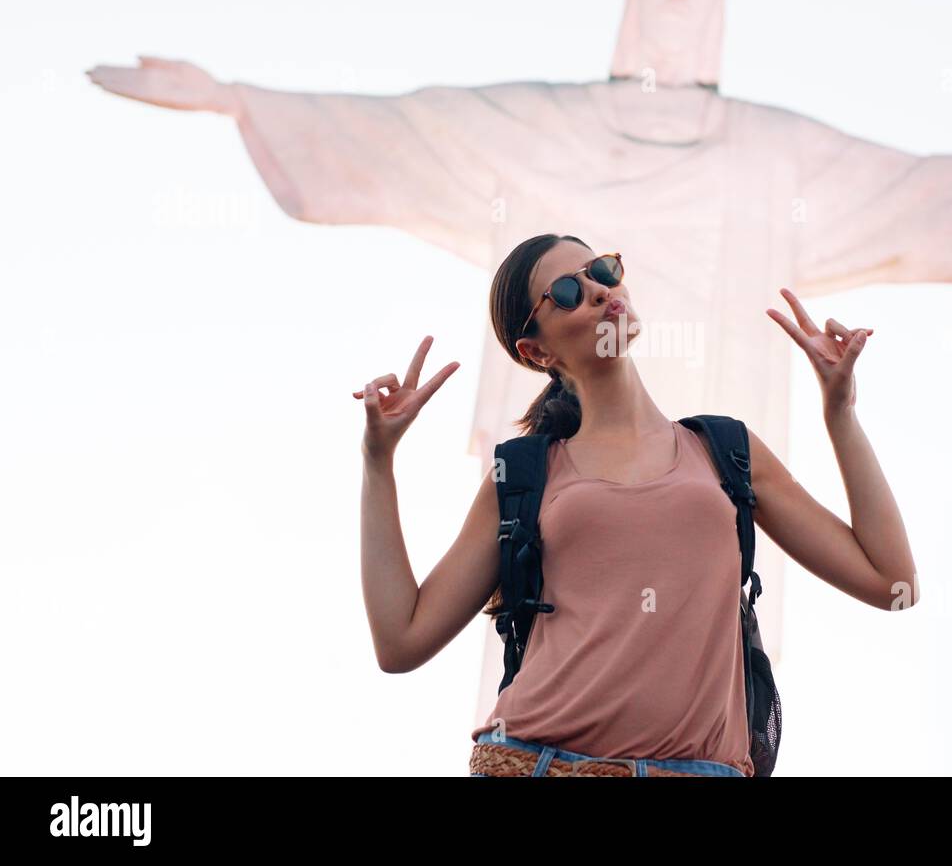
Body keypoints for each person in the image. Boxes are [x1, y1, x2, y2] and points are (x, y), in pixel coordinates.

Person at [354, 233, 920, 776]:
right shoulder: (524, 473)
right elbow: (401, 641)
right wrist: (378, 462)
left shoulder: (726, 451)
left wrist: (840, 413)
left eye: (600, 271)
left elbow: (891, 582)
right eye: (570, 292)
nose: (600, 290)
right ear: (535, 350)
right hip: (541, 765)